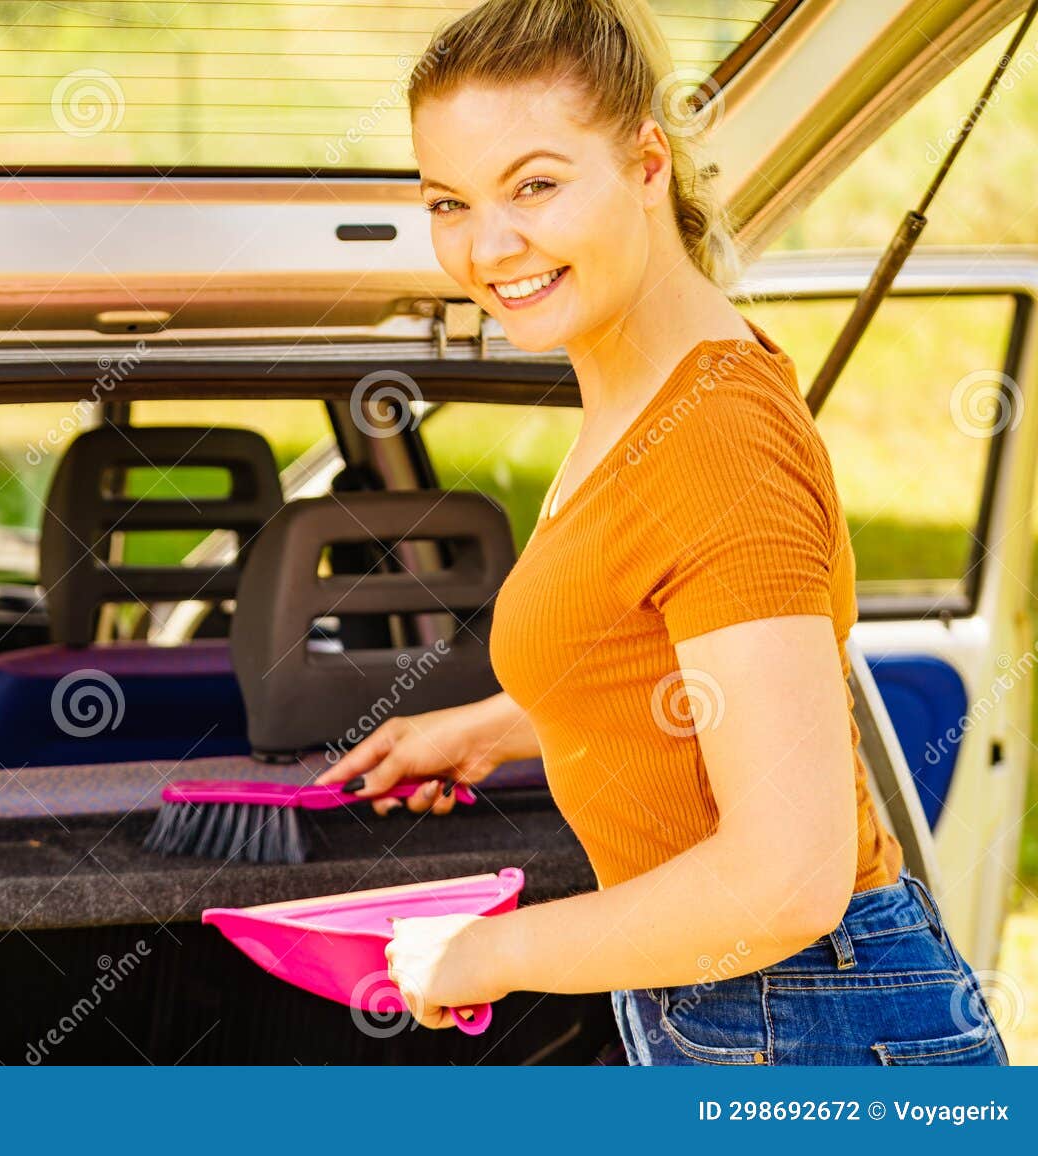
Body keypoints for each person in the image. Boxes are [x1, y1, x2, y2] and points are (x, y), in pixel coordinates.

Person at [313, 0, 1009, 1065]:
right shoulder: (643, 392)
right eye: (448, 201)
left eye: (535, 185)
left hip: (815, 1025)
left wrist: (483, 954)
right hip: (752, 1009)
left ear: (646, 166)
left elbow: (786, 881)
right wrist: (505, 723)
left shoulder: (713, 440)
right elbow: (684, 667)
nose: (488, 245)